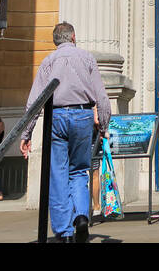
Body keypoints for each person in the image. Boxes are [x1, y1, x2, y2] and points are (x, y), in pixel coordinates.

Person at [20, 21, 111, 243]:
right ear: (73, 37)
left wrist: (26, 134)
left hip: (57, 116)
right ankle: (81, 215)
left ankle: (64, 231)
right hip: (83, 116)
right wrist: (104, 125)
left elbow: (34, 101)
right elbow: (102, 96)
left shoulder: (48, 61)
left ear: (55, 41)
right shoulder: (87, 58)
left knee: (57, 175)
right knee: (80, 170)